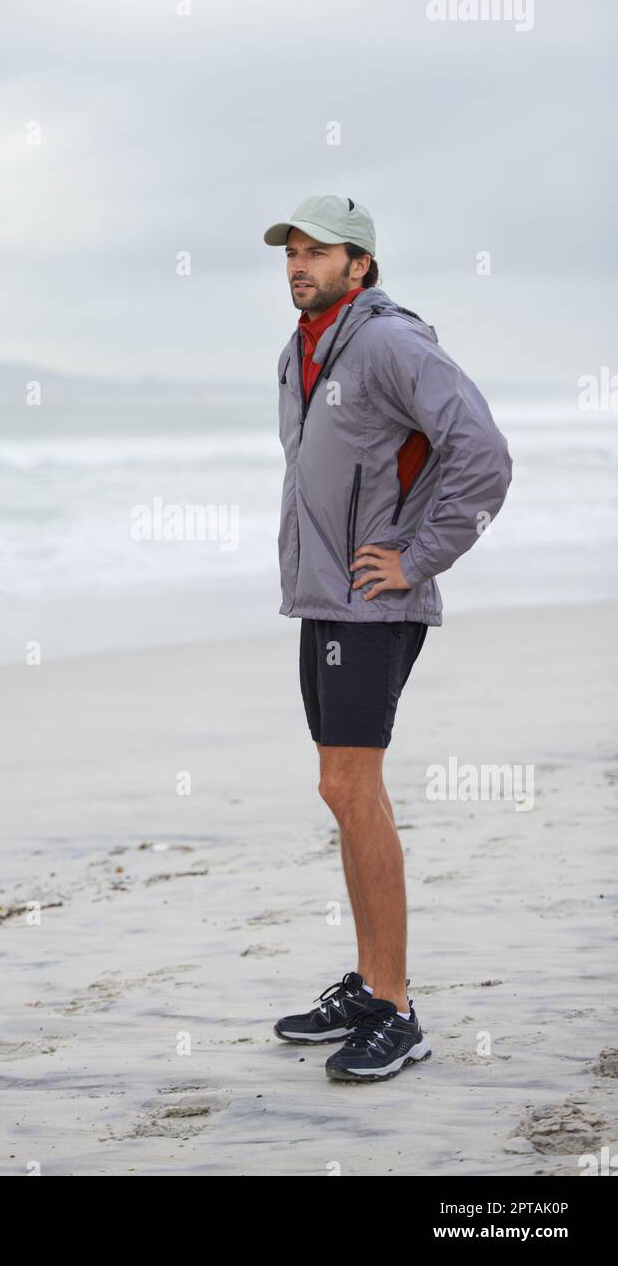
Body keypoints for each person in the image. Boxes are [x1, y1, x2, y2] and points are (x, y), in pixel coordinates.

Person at [264, 194, 512, 1081]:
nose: (298, 264)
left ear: (359, 266)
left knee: (349, 784)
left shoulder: (388, 342)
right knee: (339, 789)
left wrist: (417, 558)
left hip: (372, 603)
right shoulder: (305, 349)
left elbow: (482, 452)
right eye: (290, 251)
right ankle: (371, 986)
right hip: (325, 600)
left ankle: (399, 1010)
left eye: (317, 252)